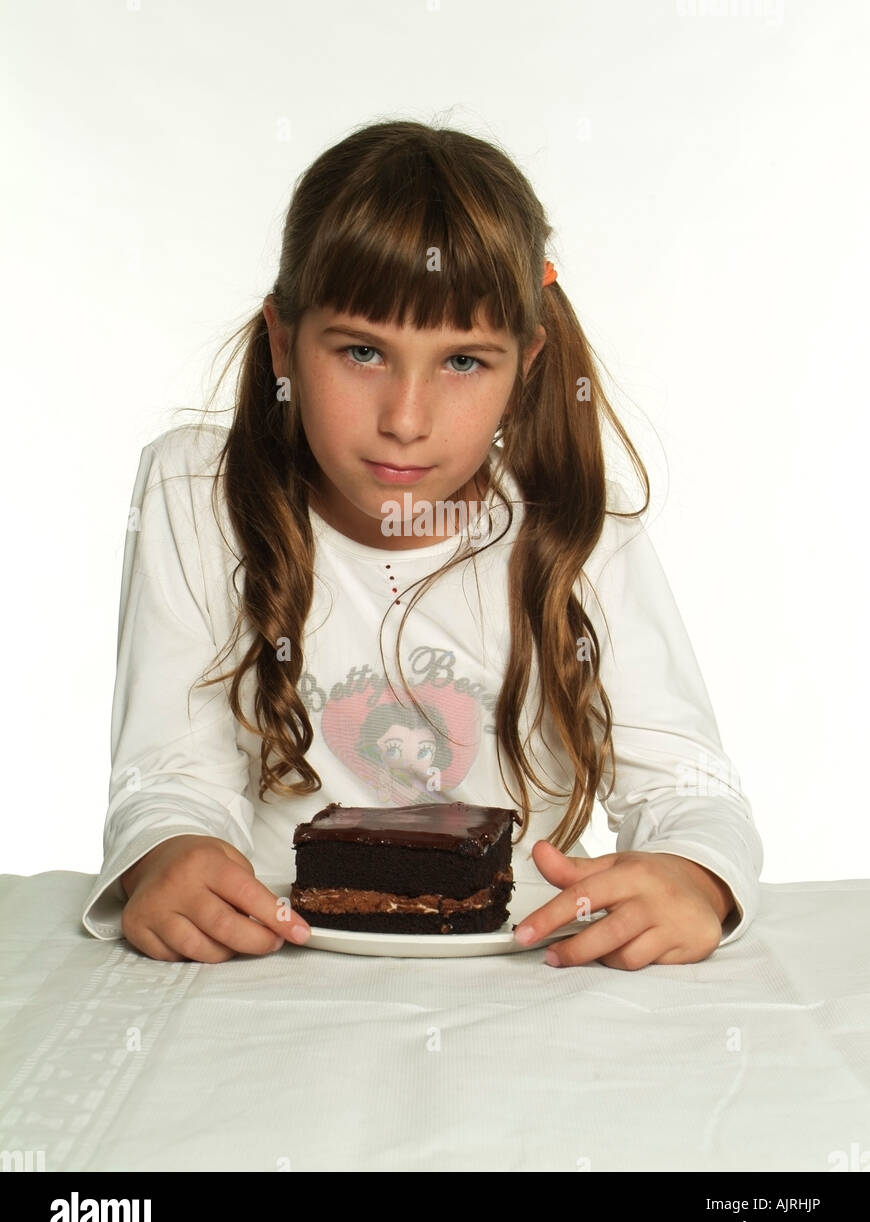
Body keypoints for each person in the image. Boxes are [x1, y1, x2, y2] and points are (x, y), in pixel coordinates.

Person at [82, 118, 763, 969]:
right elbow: (168, 773)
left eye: (464, 363)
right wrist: (167, 853)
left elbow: (690, 787)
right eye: (363, 351)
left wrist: (692, 877)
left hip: (525, 984)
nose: (405, 420)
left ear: (527, 366)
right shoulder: (198, 497)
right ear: (284, 341)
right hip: (272, 978)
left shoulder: (577, 530)